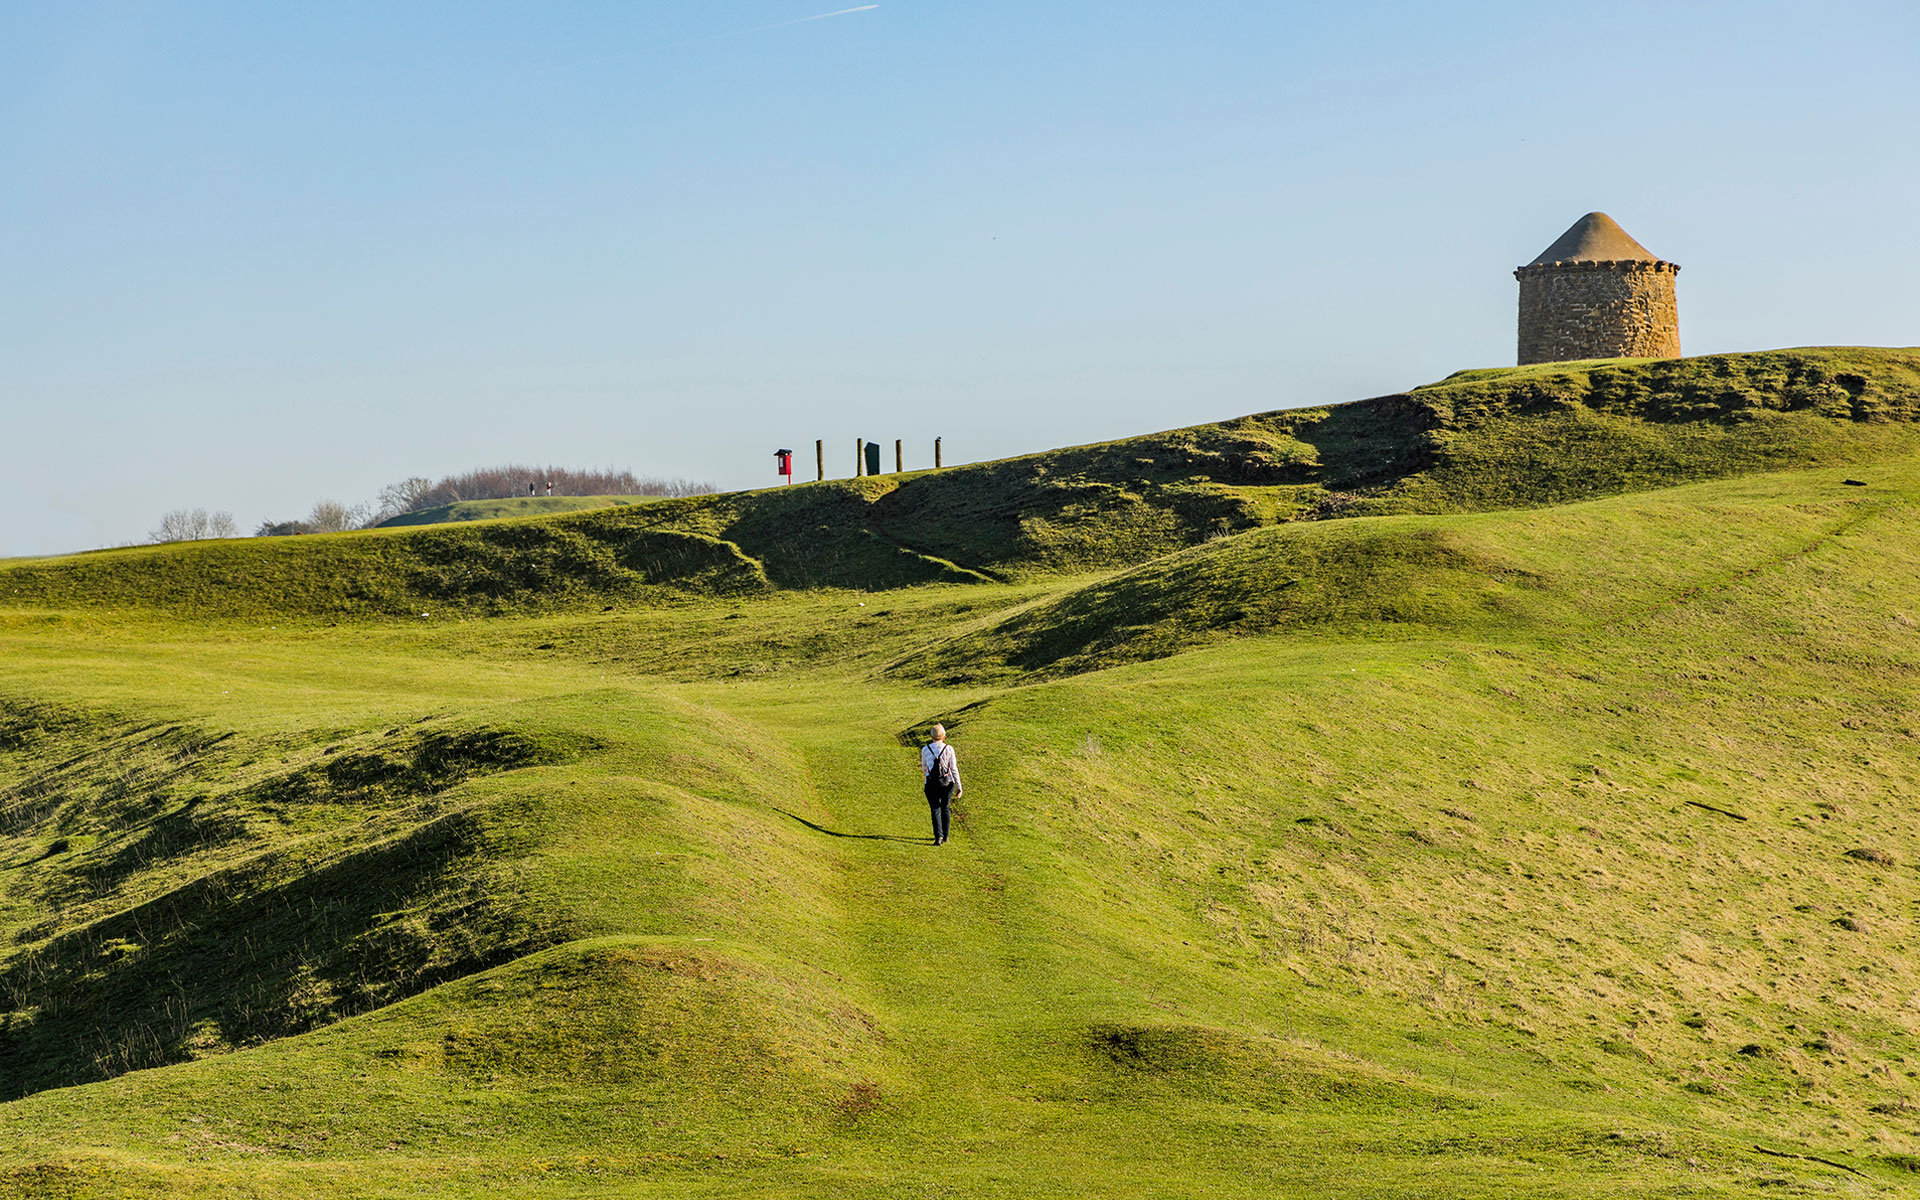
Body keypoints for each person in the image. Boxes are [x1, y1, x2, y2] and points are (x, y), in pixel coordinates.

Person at [920, 724, 962, 845]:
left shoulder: (925, 749)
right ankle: (946, 835)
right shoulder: (949, 749)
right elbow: (953, 768)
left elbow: (924, 767)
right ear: (944, 736)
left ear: (931, 736)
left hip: (931, 782)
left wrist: (929, 776)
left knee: (935, 809)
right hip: (947, 782)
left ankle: (938, 836)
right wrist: (959, 786)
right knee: (945, 807)